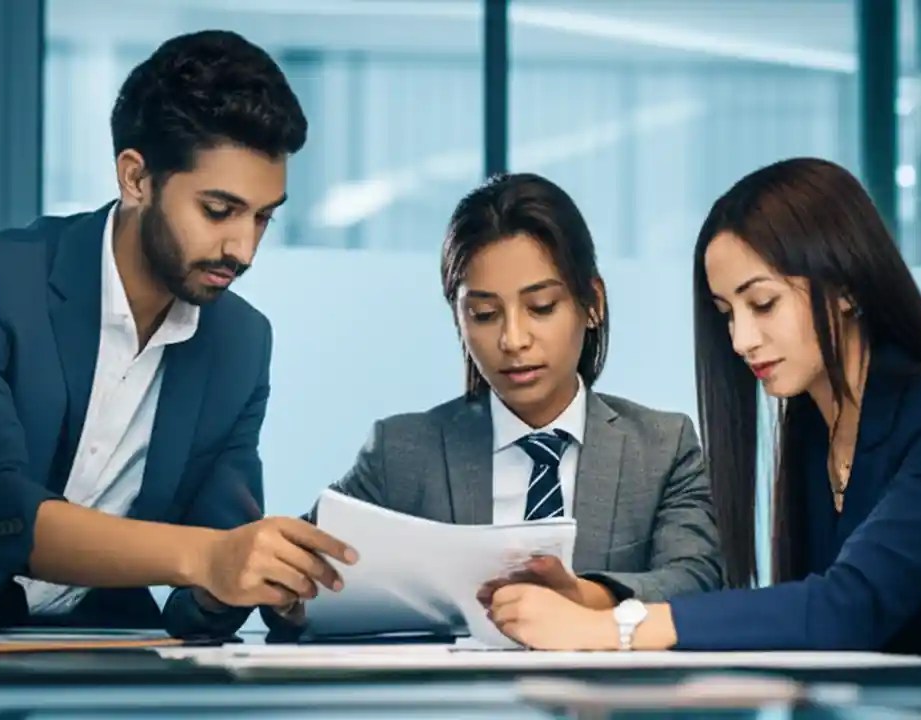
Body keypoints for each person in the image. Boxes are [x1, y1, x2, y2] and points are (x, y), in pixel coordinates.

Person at [483, 158, 921, 670]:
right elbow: (802, 616)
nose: (742, 339)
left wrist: (611, 629)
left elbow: (846, 610)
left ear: (848, 287)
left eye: (763, 303)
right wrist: (594, 604)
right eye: (726, 313)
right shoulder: (812, 429)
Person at [0, 30, 352, 637]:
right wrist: (208, 557)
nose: (244, 248)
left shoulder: (241, 342)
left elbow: (206, 583)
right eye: (219, 210)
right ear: (136, 179)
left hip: (95, 649)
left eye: (264, 217)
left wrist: (267, 579)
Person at [267, 173, 722, 630]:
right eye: (483, 314)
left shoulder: (663, 448)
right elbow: (291, 581)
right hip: (454, 699)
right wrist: (290, 594)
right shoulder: (402, 453)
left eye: (541, 306)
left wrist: (584, 597)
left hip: (602, 699)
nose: (513, 339)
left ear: (593, 303)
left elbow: (697, 580)